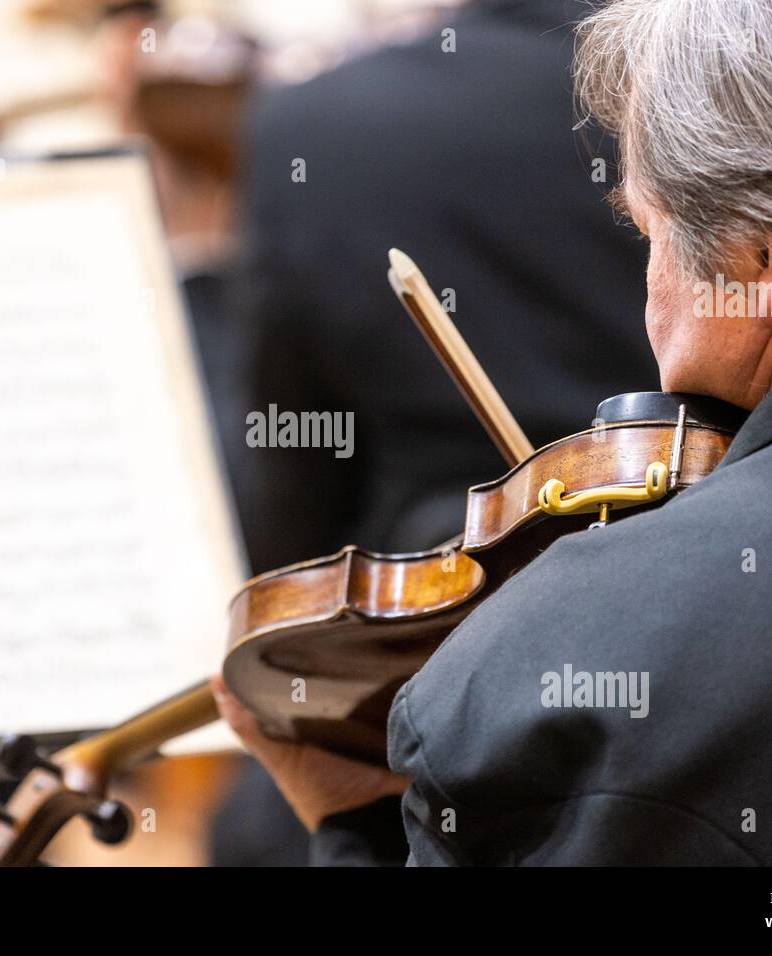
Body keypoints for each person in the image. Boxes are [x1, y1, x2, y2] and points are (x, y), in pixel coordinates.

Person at [216, 0, 772, 865]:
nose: (651, 279)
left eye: (648, 233)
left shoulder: (556, 674)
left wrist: (351, 824)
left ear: (766, 267)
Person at [211, 0, 658, 865]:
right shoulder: (725, 90)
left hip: (436, 664)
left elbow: (292, 484)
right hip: (721, 629)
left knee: (255, 834)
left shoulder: (323, 121)